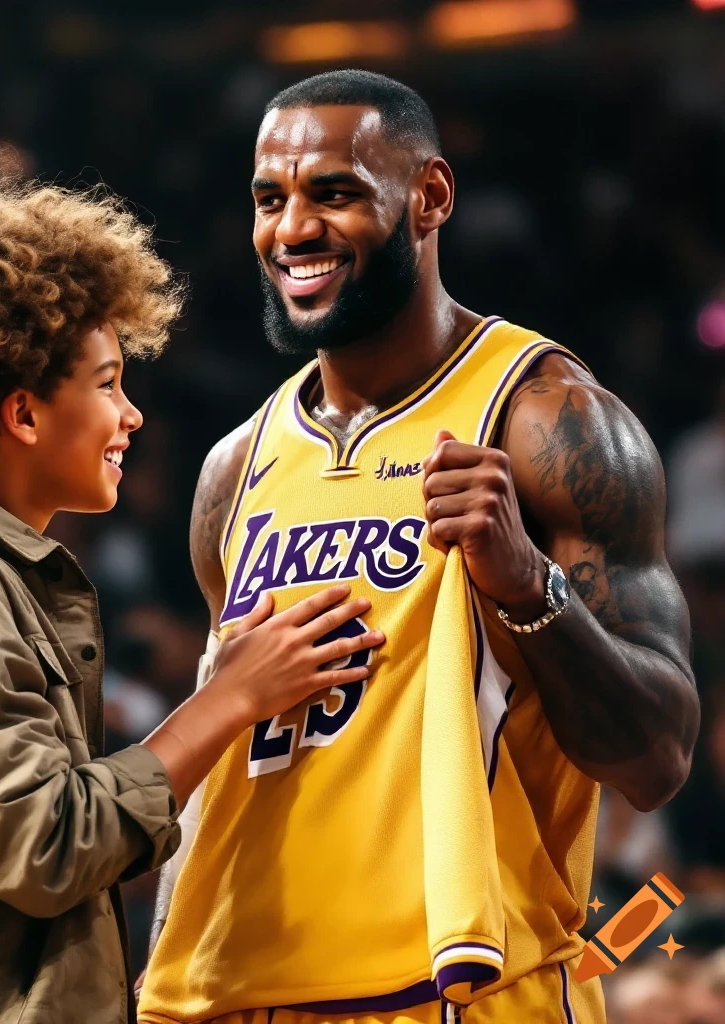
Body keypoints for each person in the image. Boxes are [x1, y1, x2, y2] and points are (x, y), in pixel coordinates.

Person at [139, 69, 699, 1024]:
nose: (293, 230)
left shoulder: (546, 421)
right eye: (270, 200)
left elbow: (658, 759)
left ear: (429, 197)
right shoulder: (233, 472)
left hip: (469, 987)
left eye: (336, 192)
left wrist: (527, 585)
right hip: (243, 991)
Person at [0, 182, 382, 1024]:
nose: (132, 414)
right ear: (25, 413)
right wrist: (229, 700)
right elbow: (46, 847)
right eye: (108, 384)